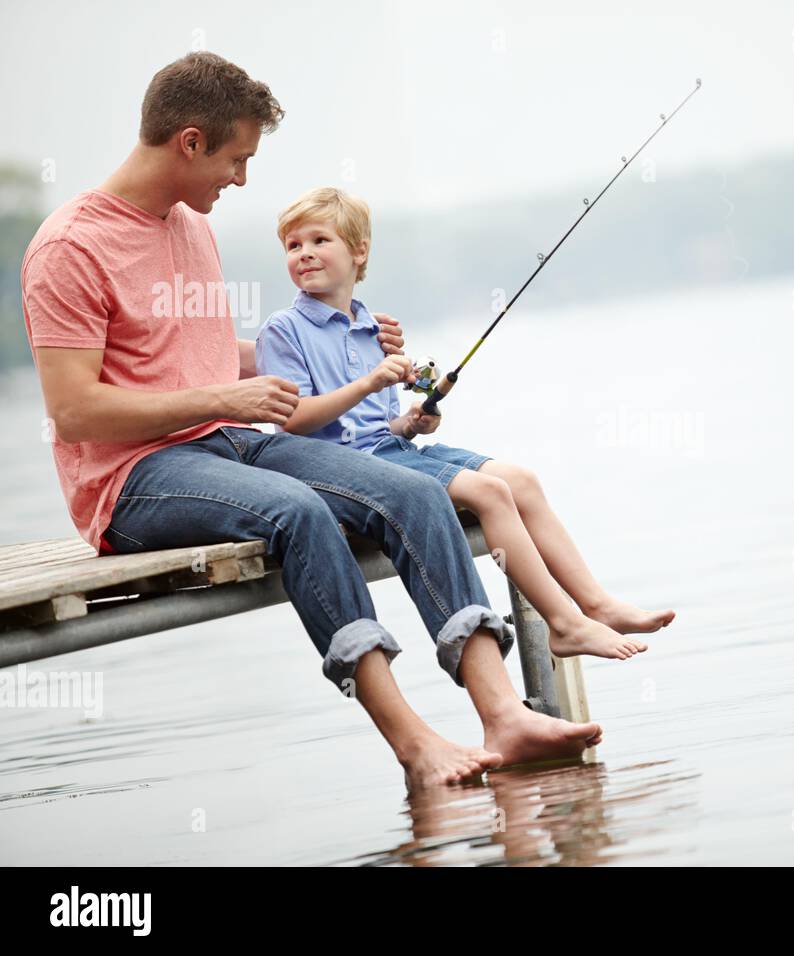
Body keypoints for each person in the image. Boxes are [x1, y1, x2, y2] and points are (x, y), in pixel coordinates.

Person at [20, 51, 603, 790]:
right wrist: (221, 400)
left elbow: (197, 354)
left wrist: (340, 342)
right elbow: (74, 410)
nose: (241, 180)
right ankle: (414, 744)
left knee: (412, 492)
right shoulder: (69, 248)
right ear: (190, 142)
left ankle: (504, 716)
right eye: (237, 159)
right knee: (297, 513)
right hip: (130, 478)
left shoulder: (189, 225)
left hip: (223, 442)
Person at [255, 186, 676, 663]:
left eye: (318, 240)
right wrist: (367, 384)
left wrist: (411, 423)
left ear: (358, 250)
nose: (304, 253)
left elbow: (376, 427)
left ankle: (596, 603)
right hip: (339, 470)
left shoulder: (375, 329)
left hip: (389, 453)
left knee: (521, 481)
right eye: (293, 246)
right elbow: (289, 422)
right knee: (491, 494)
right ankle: (565, 624)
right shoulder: (283, 331)